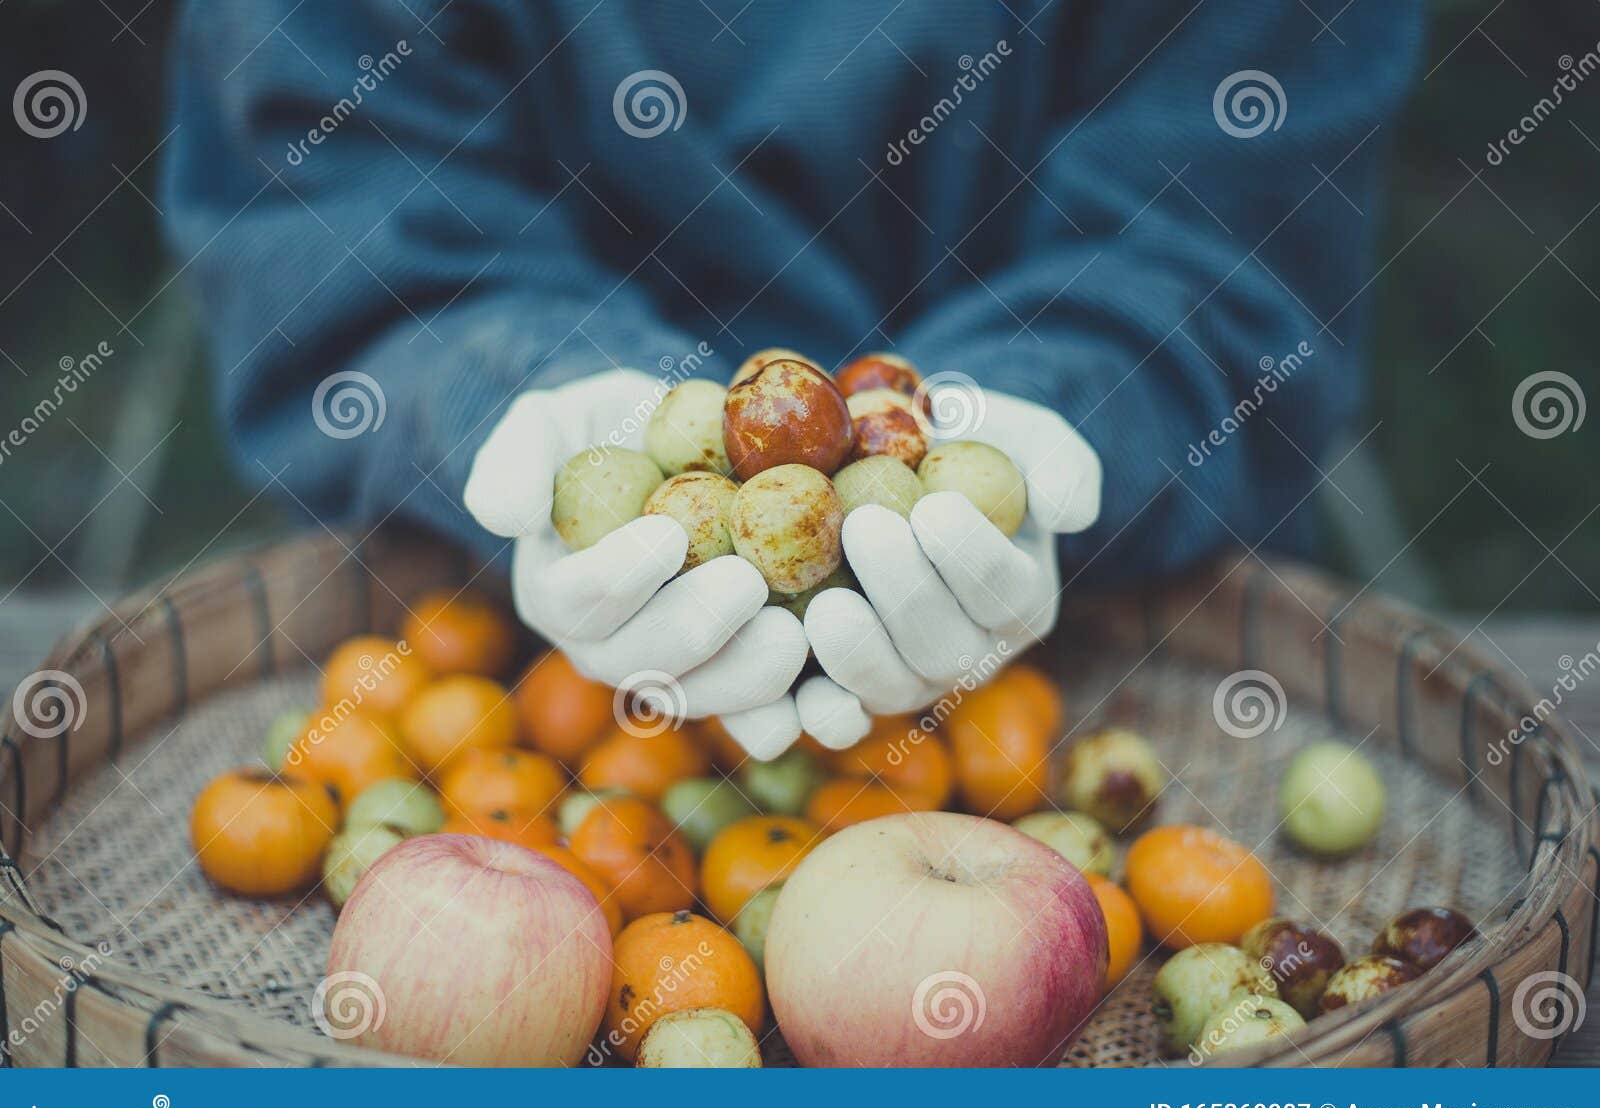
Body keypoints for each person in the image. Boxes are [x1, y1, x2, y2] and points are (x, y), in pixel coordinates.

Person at [164, 1, 1423, 757]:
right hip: (493, 658)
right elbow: (332, 193)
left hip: (1127, 656)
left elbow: (1226, 222)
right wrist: (507, 386)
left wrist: (1070, 396)